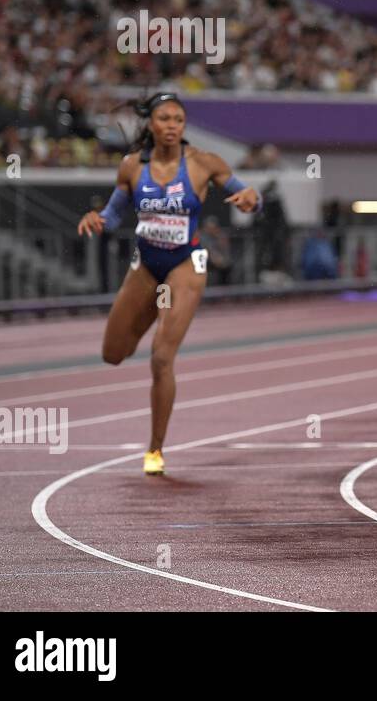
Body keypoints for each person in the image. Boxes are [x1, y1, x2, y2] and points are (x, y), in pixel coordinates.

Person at [77, 92, 261, 476]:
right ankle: (148, 317)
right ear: (151, 124)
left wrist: (250, 199)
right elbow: (112, 215)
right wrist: (97, 218)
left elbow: (248, 195)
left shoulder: (203, 163)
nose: (173, 125)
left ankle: (155, 450)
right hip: (145, 265)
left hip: (185, 264)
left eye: (179, 119)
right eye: (165, 118)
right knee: (112, 353)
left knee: (162, 358)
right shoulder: (131, 167)